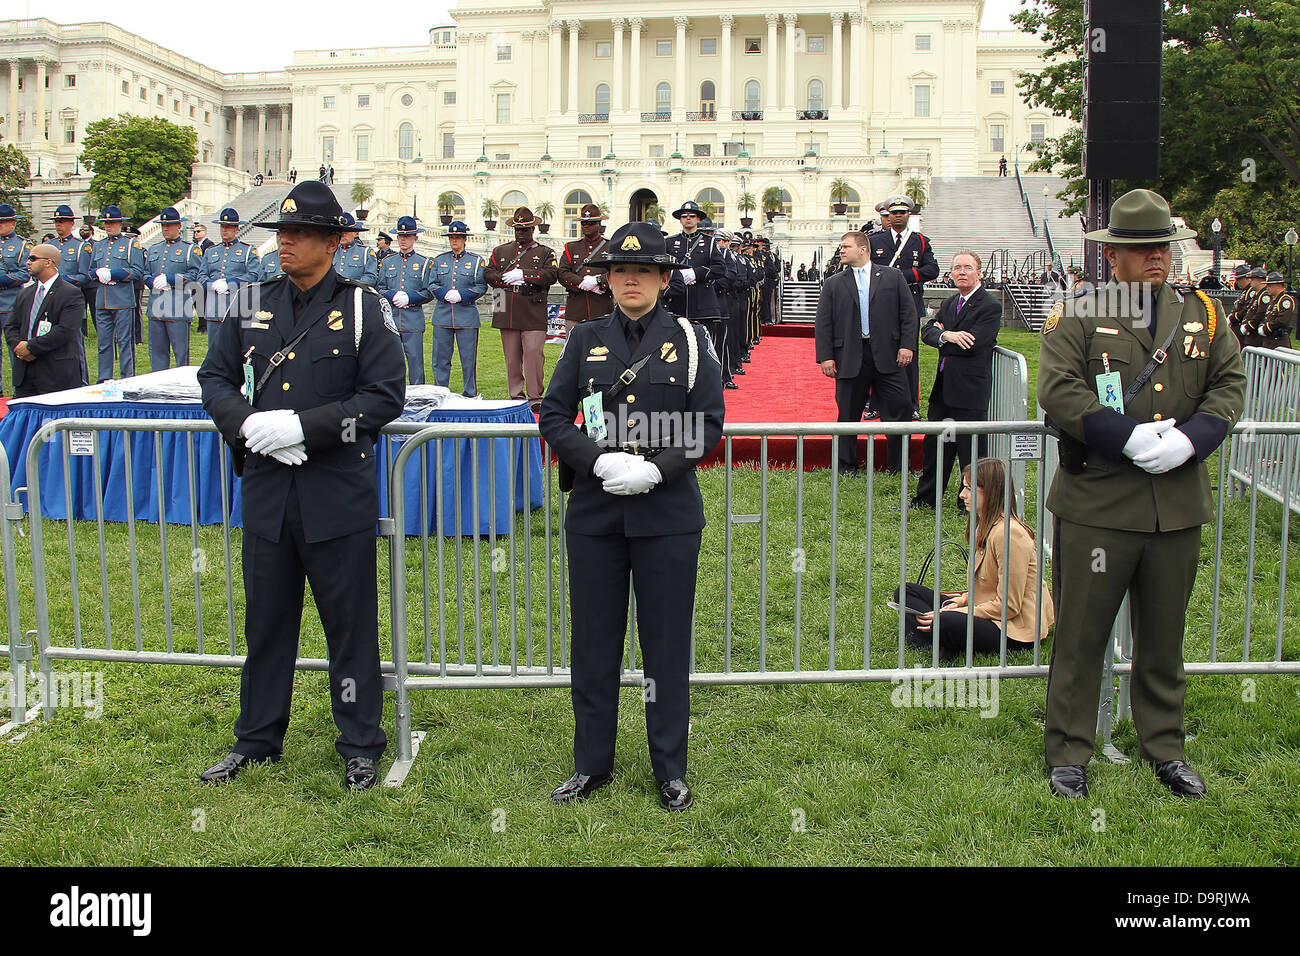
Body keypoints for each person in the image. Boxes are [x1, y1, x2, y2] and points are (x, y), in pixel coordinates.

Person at [196, 180, 407, 792]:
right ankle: (257, 739)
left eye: (298, 234)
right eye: (281, 233)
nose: (284, 243)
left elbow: (383, 396)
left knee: (348, 626)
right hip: (266, 487)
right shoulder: (248, 302)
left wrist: (304, 427)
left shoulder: (364, 308)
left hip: (333, 489)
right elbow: (214, 378)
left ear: (331, 243)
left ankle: (360, 743)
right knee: (266, 623)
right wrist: (248, 425)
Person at [1038, 188, 1247, 800]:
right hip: (1100, 501)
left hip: (1174, 503)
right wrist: (1126, 436)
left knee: (1164, 635)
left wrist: (1193, 442)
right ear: (1115, 257)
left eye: (1164, 246)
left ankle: (1164, 746)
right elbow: (1059, 390)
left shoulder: (1203, 315)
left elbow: (1229, 385)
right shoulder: (1077, 314)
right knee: (1080, 634)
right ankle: (1070, 751)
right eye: (1142, 248)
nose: (1157, 257)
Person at [538, 221, 724, 812]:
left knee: (665, 644)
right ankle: (591, 765)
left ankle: (670, 767)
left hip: (666, 513)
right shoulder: (583, 337)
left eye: (642, 271)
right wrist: (597, 462)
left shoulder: (692, 340)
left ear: (664, 279)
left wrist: (656, 469)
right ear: (608, 278)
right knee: (594, 643)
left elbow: (708, 423)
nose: (630, 281)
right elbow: (555, 414)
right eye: (620, 271)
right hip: (595, 513)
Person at [896, 459, 1053, 658]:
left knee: (946, 621)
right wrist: (960, 602)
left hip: (1011, 628)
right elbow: (984, 591)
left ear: (991, 492)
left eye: (969, 489)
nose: (962, 495)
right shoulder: (986, 524)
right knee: (906, 592)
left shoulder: (1010, 534)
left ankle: (940, 636)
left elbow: (1009, 606)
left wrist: (958, 613)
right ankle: (941, 638)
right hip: (984, 608)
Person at [815, 231, 917, 475]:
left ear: (863, 249)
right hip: (849, 356)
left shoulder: (892, 277)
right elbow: (824, 322)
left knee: (899, 410)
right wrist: (826, 356)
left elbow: (908, 314)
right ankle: (846, 466)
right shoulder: (834, 282)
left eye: (846, 246)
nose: (841, 250)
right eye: (841, 246)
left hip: (889, 355)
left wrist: (907, 345)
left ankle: (899, 466)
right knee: (848, 412)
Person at [912, 251, 1001, 511]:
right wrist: (948, 335)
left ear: (979, 273)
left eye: (968, 267)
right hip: (943, 389)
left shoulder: (990, 306)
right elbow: (927, 332)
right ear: (950, 274)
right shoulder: (951, 303)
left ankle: (970, 504)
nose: (962, 272)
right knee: (935, 447)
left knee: (970, 450)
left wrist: (943, 337)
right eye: (957, 268)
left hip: (970, 390)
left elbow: (974, 344)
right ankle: (926, 499)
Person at [870, 196, 938, 418]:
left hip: (909, 303)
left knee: (910, 357)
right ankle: (876, 404)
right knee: (876, 354)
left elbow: (932, 270)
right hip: (880, 306)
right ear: (887, 215)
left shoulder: (920, 241)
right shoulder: (875, 241)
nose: (898, 215)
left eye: (903, 212)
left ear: (909, 214)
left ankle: (911, 406)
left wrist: (904, 276)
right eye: (894, 212)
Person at [484, 206, 558, 411]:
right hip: (505, 303)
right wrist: (502, 278)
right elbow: (488, 273)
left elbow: (551, 275)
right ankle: (515, 395)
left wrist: (525, 274)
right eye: (518, 229)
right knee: (511, 355)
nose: (521, 233)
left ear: (533, 229)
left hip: (532, 305)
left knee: (534, 353)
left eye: (525, 229)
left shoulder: (544, 252)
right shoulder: (501, 251)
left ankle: (535, 397)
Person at [3, 243, 86, 397]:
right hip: (25, 373)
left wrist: (31, 347)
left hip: (54, 373)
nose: (28, 262)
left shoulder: (70, 294)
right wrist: (18, 346)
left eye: (33, 259)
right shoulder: (25, 293)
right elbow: (11, 326)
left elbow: (65, 331)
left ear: (48, 262)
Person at [664, 200, 728, 378]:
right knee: (677, 346)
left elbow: (719, 268)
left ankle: (706, 380)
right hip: (677, 302)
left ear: (698, 219)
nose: (688, 219)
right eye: (684, 216)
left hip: (702, 303)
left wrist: (696, 273)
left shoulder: (709, 242)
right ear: (680, 220)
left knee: (703, 347)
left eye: (692, 216)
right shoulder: (670, 242)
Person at [87, 205, 147, 381]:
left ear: (120, 223)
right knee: (103, 343)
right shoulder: (98, 246)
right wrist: (97, 274)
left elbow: (137, 271)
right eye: (106, 223)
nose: (108, 226)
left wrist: (114, 274)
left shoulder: (130, 245)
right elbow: (90, 271)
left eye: (112, 223)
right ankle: (103, 378)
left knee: (125, 343)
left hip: (122, 300)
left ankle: (127, 378)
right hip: (102, 300)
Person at [376, 215, 437, 385]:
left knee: (415, 363)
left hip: (412, 319)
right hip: (391, 320)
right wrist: (392, 296)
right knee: (390, 363)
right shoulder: (388, 262)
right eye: (400, 236)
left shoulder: (424, 263)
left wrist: (409, 298)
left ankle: (417, 397)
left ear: (415, 238)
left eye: (407, 236)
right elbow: (380, 288)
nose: (403, 240)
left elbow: (429, 291)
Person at [430, 220, 487, 396]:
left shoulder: (476, 261)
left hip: (466, 315)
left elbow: (481, 286)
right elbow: (432, 283)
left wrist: (462, 295)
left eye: (458, 238)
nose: (454, 241)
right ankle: (441, 392)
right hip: (443, 315)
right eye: (451, 238)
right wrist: (443, 293)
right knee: (440, 359)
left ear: (465, 240)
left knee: (468, 360)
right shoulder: (439, 260)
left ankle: (469, 394)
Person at [144, 207, 204, 370]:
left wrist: (170, 280)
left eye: (169, 225)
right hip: (156, 308)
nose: (165, 228)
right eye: (163, 225)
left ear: (178, 226)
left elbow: (195, 274)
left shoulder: (189, 249)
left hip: (178, 308)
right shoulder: (154, 249)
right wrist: (152, 281)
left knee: (181, 355)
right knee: (157, 354)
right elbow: (145, 273)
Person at [50, 205, 93, 384]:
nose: (59, 225)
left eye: (62, 222)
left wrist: (65, 279)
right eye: (57, 222)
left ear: (71, 223)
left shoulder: (81, 247)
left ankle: (82, 381)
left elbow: (85, 276)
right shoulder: (49, 246)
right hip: (51, 302)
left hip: (70, 301)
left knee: (76, 345)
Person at [199, 208, 261, 335]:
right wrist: (212, 285)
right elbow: (201, 276)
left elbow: (253, 276)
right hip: (214, 309)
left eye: (228, 227)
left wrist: (230, 283)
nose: (224, 230)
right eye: (222, 226)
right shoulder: (211, 251)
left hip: (237, 308)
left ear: (236, 229)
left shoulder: (248, 251)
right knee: (214, 350)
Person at [557, 203, 614, 331]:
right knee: (574, 348)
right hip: (576, 310)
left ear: (599, 224)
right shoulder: (571, 247)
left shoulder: (610, 247)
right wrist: (581, 282)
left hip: (602, 309)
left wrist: (598, 281)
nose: (586, 226)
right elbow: (562, 273)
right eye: (583, 223)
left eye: (591, 223)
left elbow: (617, 273)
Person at [0, 204, 33, 393]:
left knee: (16, 348)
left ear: (12, 223)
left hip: (11, 302)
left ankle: (17, 388)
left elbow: (24, 273)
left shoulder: (22, 245)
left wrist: (3, 280)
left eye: (3, 222)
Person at [332, 214, 378, 286]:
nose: (342, 235)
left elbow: (370, 278)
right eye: (340, 232)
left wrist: (351, 285)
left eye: (346, 232)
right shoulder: (332, 251)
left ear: (355, 233)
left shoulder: (365, 252)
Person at [1257, 272, 1295, 348]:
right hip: (1269, 340)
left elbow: (1282, 320)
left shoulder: (1285, 300)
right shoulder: (1274, 300)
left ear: (1278, 285)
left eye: (1270, 285)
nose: (1267, 287)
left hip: (1278, 341)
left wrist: (1266, 328)